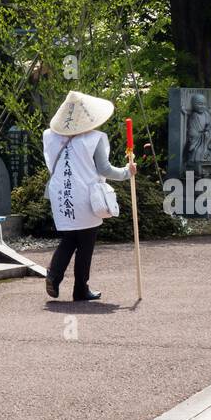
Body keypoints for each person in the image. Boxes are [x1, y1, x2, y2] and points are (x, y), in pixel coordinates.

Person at [42, 90, 136, 302]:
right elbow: (105, 169)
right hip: (86, 194)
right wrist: (126, 172)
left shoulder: (50, 136)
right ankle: (80, 289)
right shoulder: (95, 138)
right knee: (86, 241)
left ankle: (54, 275)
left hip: (61, 192)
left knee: (69, 237)